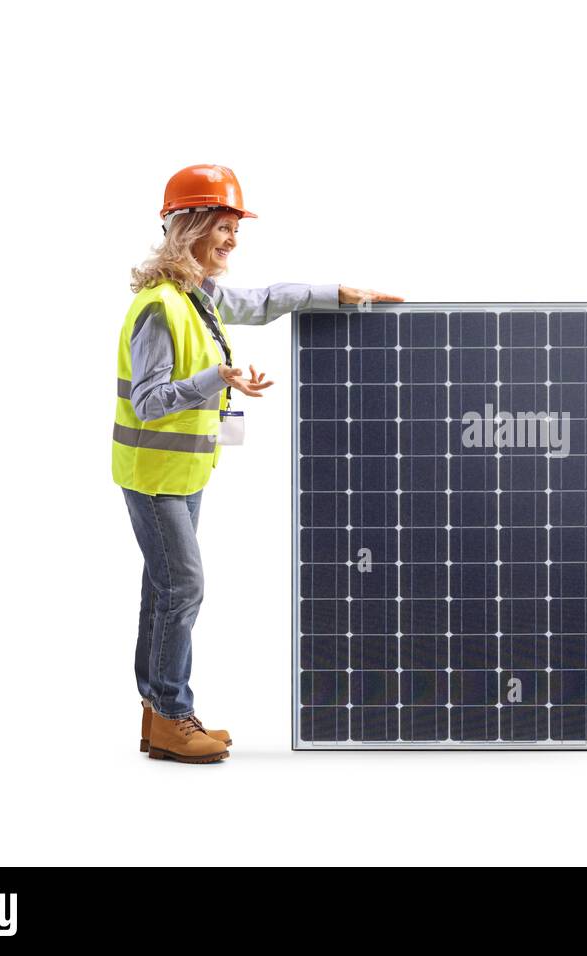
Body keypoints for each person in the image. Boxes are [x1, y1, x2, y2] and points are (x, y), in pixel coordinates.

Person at [113, 163, 402, 763]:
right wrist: (215, 379)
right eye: (222, 225)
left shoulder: (200, 297)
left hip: (183, 473)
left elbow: (265, 300)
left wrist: (337, 295)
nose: (231, 240)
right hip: (154, 478)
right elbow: (147, 401)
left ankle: (155, 712)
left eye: (235, 229)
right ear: (185, 225)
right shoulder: (160, 308)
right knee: (183, 587)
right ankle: (171, 715)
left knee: (163, 589)